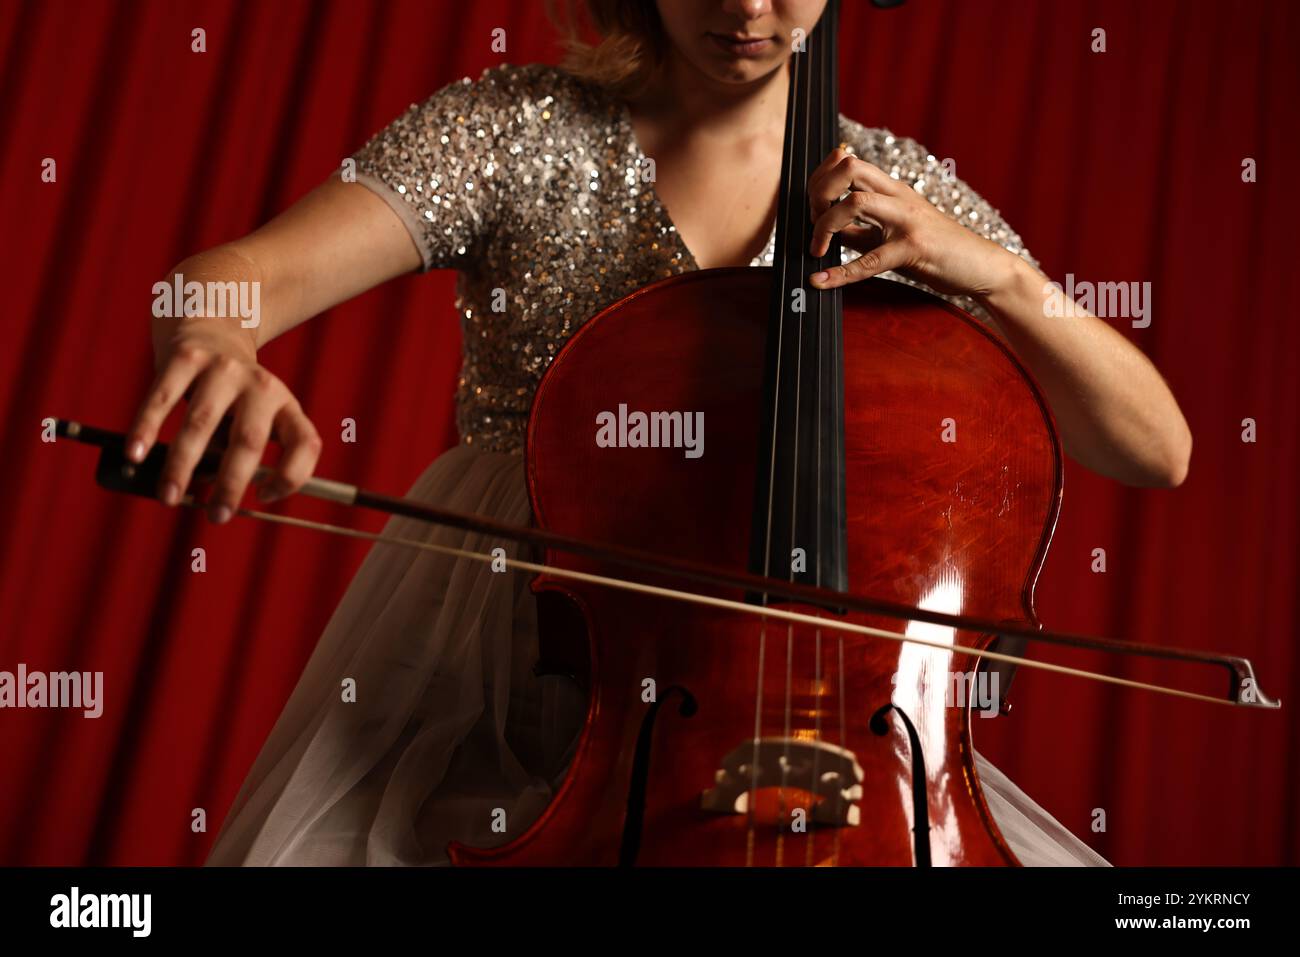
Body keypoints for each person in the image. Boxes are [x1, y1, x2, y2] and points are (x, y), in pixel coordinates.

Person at [127, 0, 1189, 866]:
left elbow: (1155, 447)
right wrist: (218, 344)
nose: (746, 6)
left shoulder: (898, 191)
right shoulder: (520, 131)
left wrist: (996, 275)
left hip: (819, 715)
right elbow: (224, 283)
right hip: (509, 664)